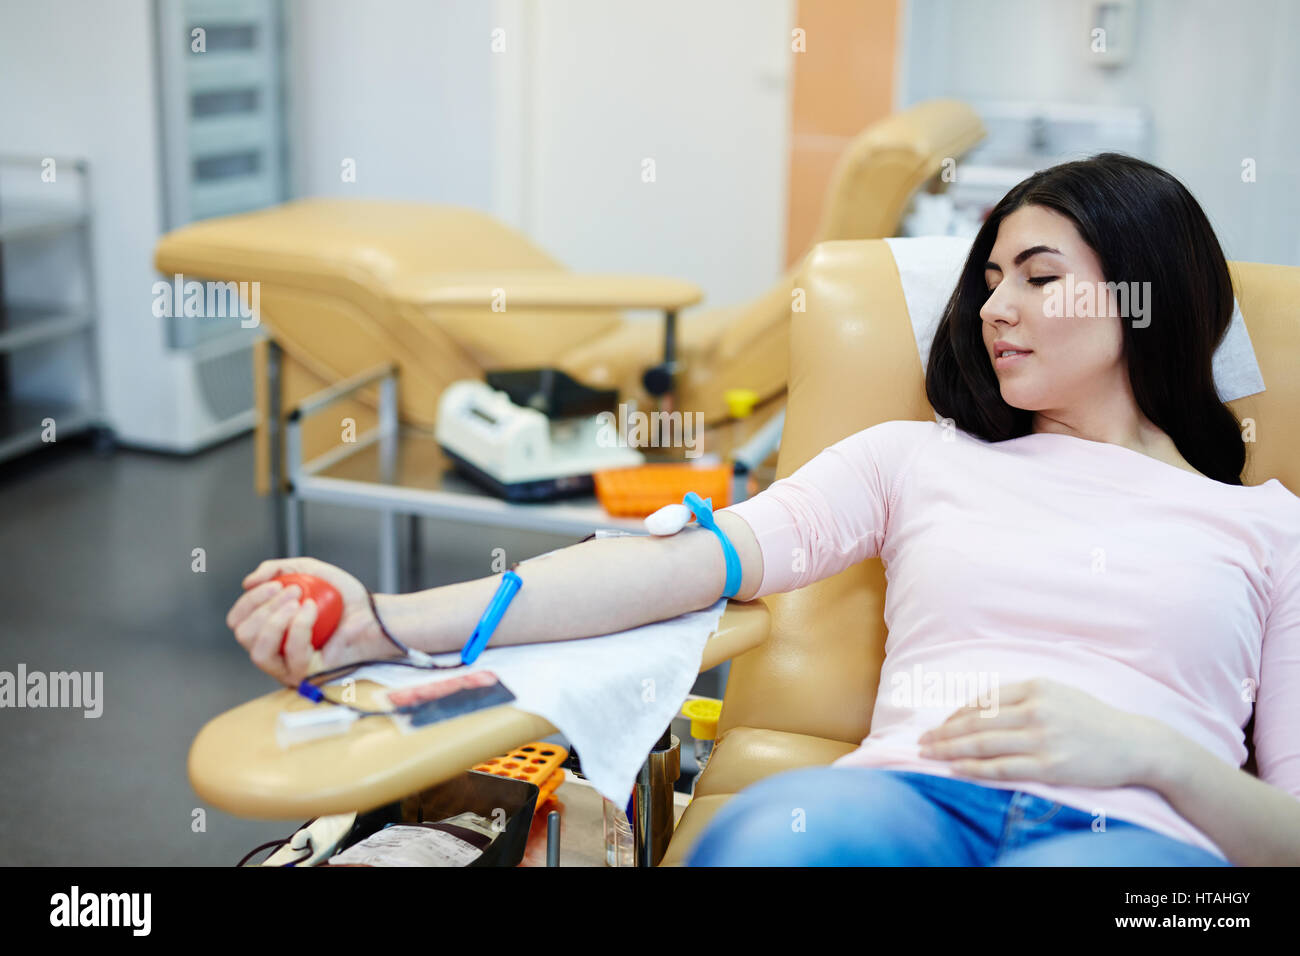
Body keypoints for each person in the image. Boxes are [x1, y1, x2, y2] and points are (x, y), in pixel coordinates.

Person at [226, 153, 1300, 866]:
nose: (994, 309)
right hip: (906, 801)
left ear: (1145, 290)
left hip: (1139, 832)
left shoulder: (1266, 526)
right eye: (984, 282)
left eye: (1034, 274)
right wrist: (386, 618)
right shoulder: (915, 459)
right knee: (770, 840)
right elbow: (683, 561)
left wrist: (1151, 753)